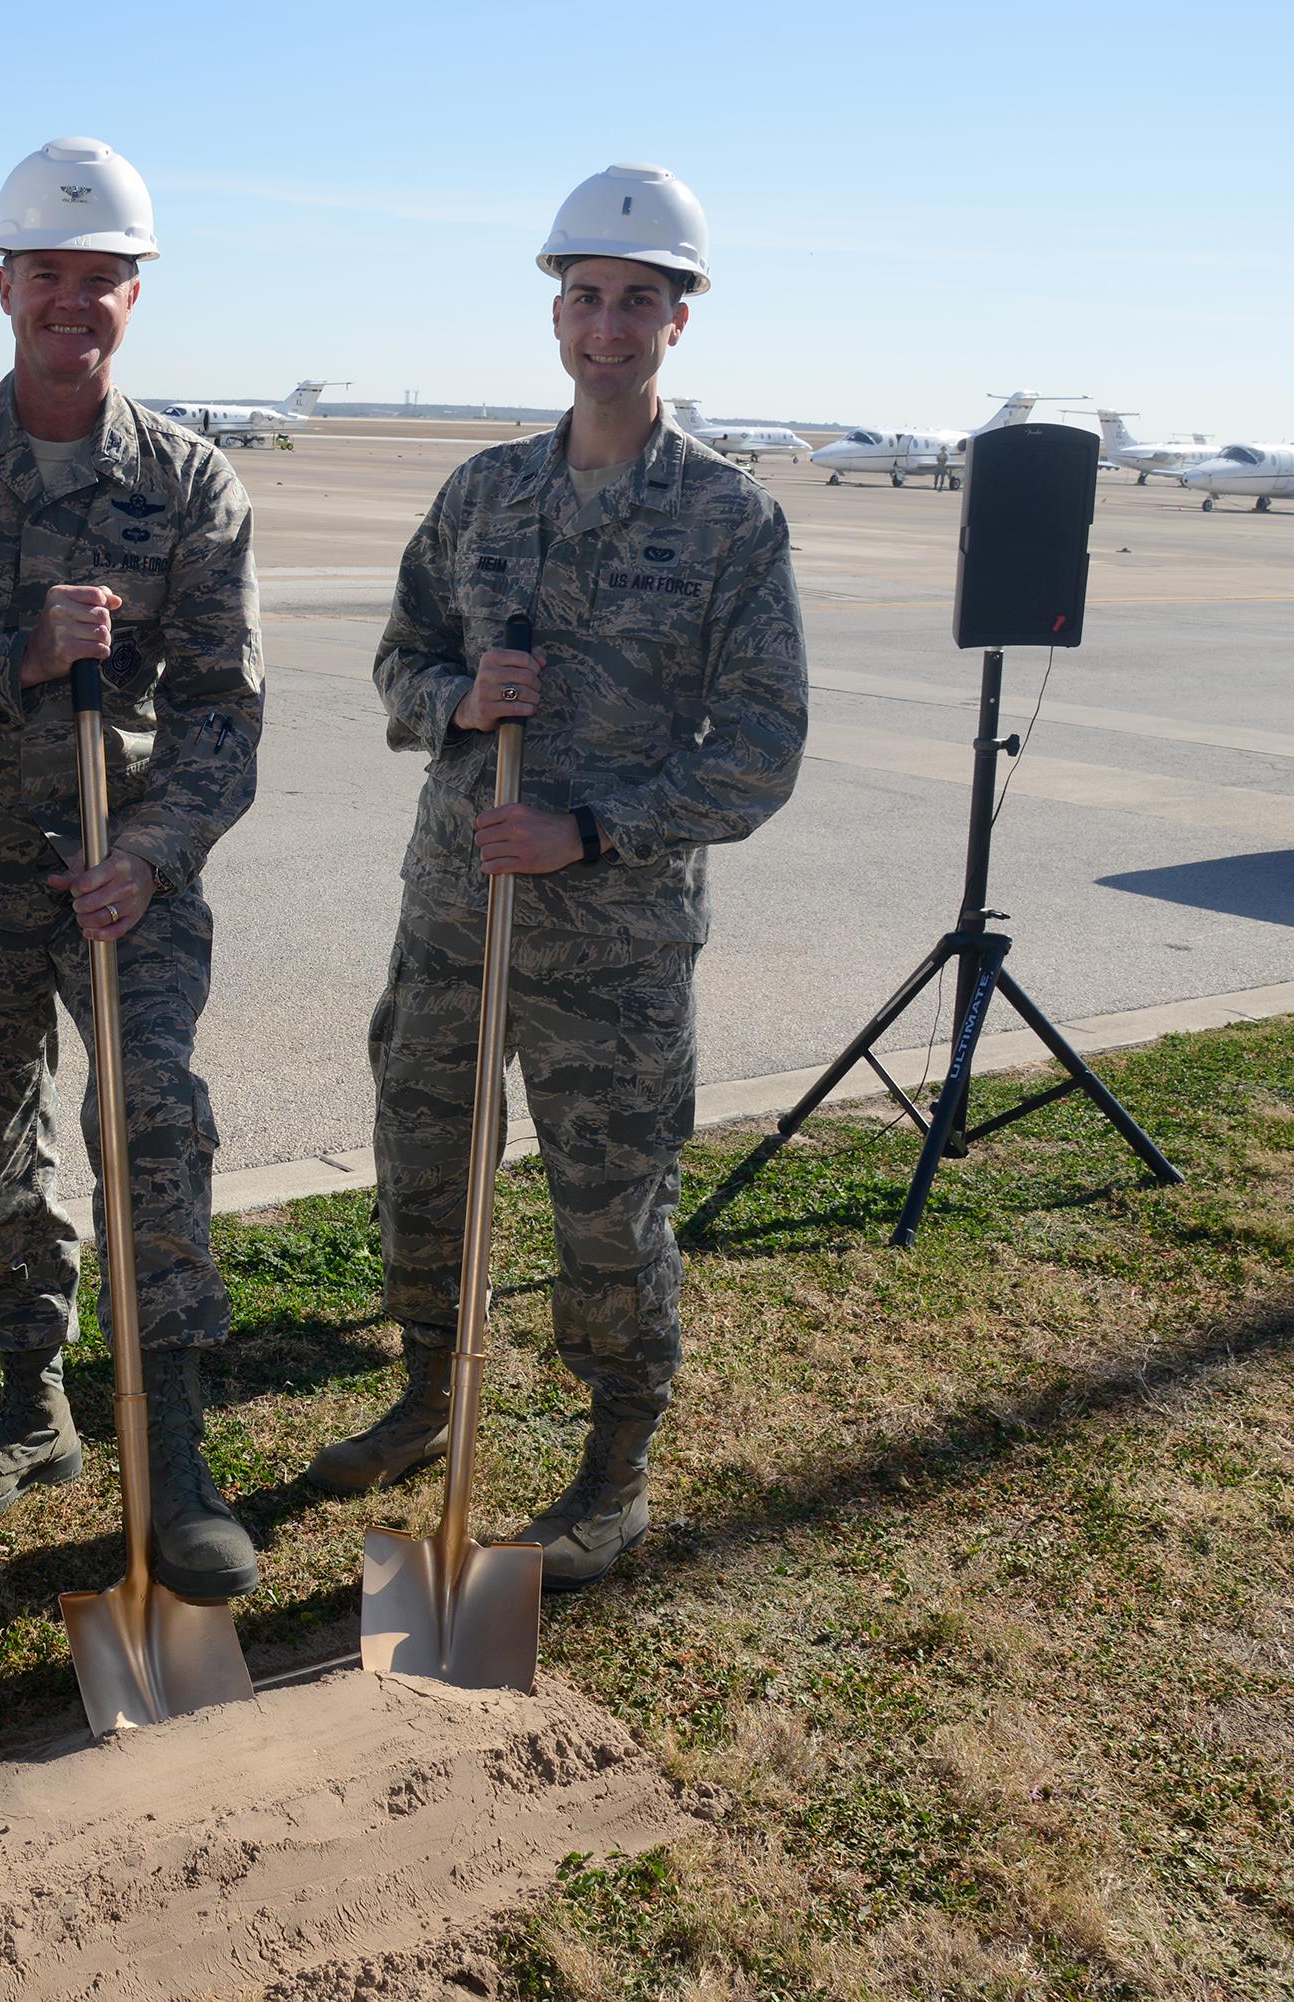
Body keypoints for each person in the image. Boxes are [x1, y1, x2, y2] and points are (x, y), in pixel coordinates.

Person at [303, 163, 810, 1590]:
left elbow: (760, 751)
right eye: (583, 296)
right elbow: (398, 659)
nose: (605, 325)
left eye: (636, 300)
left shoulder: (728, 520)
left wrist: (592, 828)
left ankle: (613, 1467)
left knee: (606, 1210)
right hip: (453, 916)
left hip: (615, 949)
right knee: (423, 1171)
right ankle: (426, 1392)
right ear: (557, 312)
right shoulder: (484, 493)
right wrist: (459, 698)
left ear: (677, 320)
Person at [0, 139, 265, 1599]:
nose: (75, 301)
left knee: (153, 1116)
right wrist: (20, 654)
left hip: (127, 876)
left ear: (133, 295)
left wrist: (154, 855)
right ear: (5, 287)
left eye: (103, 278)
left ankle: (171, 1439)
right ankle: (32, 1401)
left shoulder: (188, 482)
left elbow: (226, 707)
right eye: (50, 274)